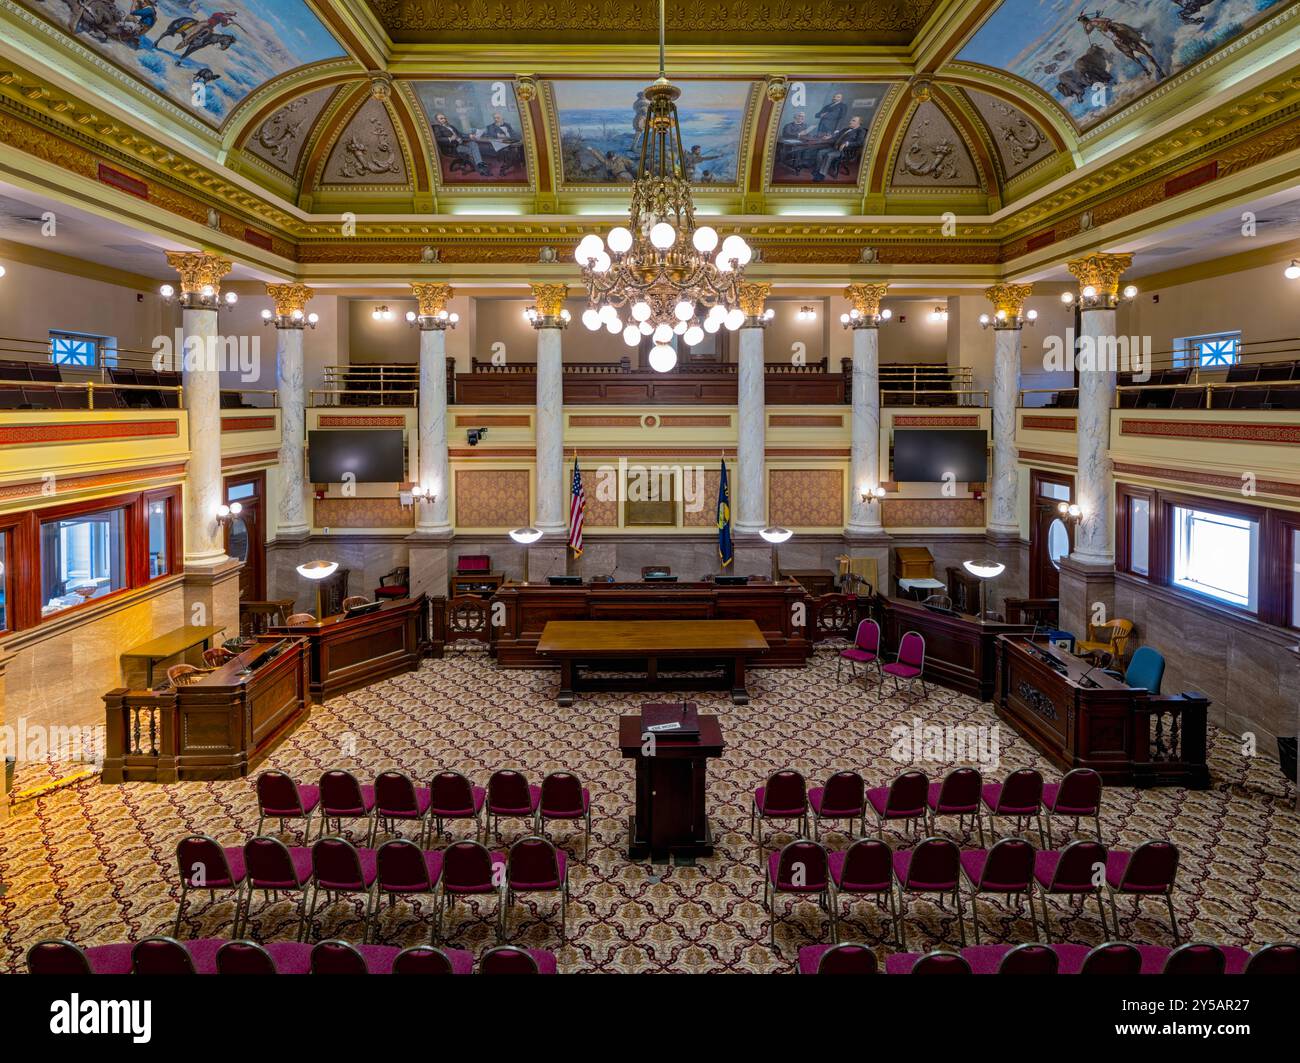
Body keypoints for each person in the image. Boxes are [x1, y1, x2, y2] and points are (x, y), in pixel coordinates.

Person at [432, 112, 488, 176]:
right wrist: (449, 138)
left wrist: (469, 135)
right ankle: (481, 169)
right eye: (441, 119)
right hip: (452, 147)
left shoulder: (451, 126)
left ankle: (480, 163)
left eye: (444, 118)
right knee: (472, 151)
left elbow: (460, 134)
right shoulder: (437, 128)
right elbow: (438, 139)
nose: (444, 120)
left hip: (461, 143)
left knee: (473, 144)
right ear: (437, 120)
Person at [813, 115, 865, 182]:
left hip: (845, 151)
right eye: (851, 120)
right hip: (835, 148)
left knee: (829, 155)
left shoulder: (861, 131)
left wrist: (847, 143)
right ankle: (818, 170)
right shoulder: (845, 129)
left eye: (853, 120)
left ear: (859, 123)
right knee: (820, 152)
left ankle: (821, 174)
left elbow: (860, 142)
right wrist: (829, 137)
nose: (850, 122)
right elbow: (836, 137)